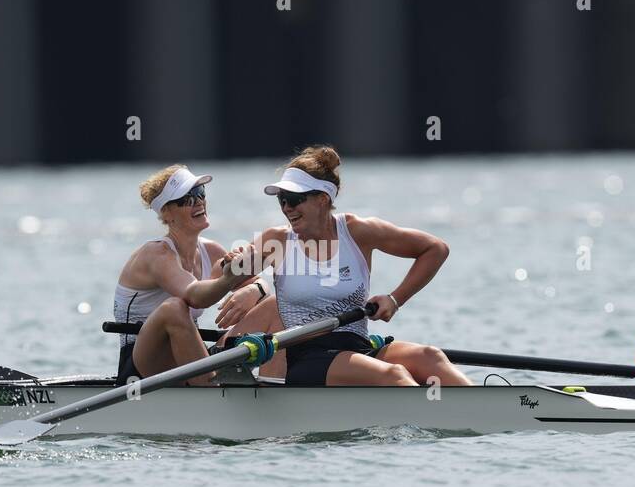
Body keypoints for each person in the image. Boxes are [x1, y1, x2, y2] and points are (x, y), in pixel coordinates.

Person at [255, 145, 472, 387]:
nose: (287, 208)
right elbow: (229, 275)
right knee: (394, 375)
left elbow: (435, 249)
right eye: (282, 199)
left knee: (430, 356)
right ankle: (432, 408)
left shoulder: (358, 231)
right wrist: (252, 286)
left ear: (322, 199)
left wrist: (395, 299)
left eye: (295, 199)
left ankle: (484, 406)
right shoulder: (276, 241)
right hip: (308, 359)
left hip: (359, 348)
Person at [112, 165, 267, 385]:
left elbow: (262, 285)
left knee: (271, 306)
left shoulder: (210, 250)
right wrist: (229, 279)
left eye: (200, 193)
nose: (199, 202)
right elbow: (194, 295)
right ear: (166, 212)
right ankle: (210, 393)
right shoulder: (156, 254)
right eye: (187, 198)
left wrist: (254, 289)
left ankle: (276, 384)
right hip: (140, 366)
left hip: (187, 355)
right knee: (174, 308)